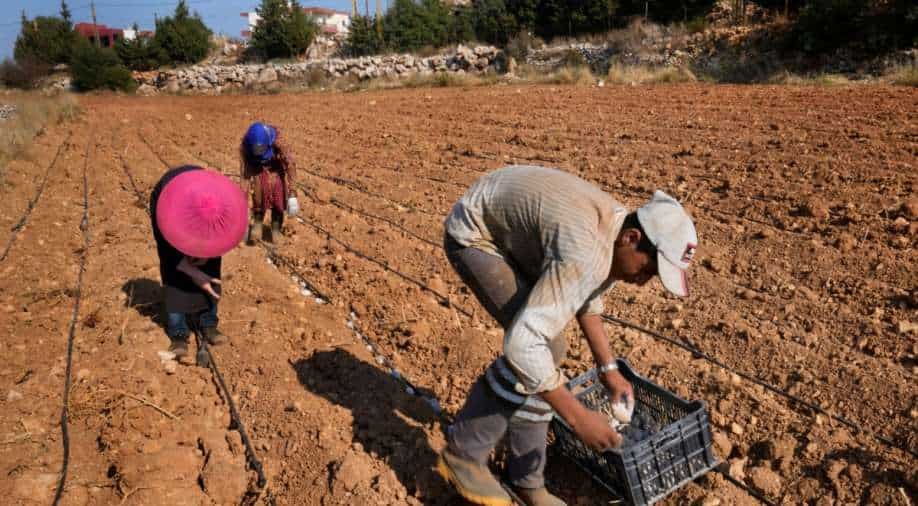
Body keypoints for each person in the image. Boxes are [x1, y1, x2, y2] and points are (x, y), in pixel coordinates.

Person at [437, 166, 698, 506]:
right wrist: (577, 417)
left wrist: (609, 369)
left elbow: (587, 294)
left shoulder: (615, 229)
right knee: (539, 348)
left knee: (546, 354)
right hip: (477, 234)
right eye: (648, 270)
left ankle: (527, 481)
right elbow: (523, 343)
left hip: (515, 230)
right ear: (632, 239)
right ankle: (463, 455)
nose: (644, 281)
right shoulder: (588, 249)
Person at [150, 165, 248, 363]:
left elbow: (220, 237)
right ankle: (178, 332)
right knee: (174, 273)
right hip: (170, 200)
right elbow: (173, 257)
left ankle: (209, 322)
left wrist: (204, 258)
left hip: (207, 204)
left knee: (211, 267)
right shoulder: (166, 209)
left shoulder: (222, 203)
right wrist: (193, 272)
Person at [239, 122, 299, 244]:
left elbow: (291, 164)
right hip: (256, 169)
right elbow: (245, 176)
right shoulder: (244, 148)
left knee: (279, 197)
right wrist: (242, 206)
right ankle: (257, 224)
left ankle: (276, 229)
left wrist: (293, 193)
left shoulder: (278, 141)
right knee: (258, 194)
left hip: (276, 168)